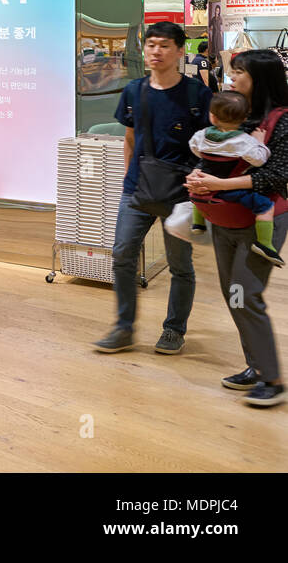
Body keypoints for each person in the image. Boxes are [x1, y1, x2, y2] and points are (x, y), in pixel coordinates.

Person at [94, 21, 211, 355]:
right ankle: (123, 328)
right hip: (137, 189)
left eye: (163, 45)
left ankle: (174, 329)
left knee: (180, 265)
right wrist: (128, 176)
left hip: (180, 193)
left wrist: (200, 181)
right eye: (151, 45)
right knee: (122, 255)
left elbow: (210, 145)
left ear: (178, 51)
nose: (155, 51)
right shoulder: (134, 90)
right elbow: (130, 137)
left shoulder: (197, 94)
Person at [186, 49, 288, 406]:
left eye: (239, 73)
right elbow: (210, 158)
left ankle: (272, 380)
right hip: (223, 215)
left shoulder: (282, 120)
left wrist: (217, 185)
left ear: (259, 78)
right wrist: (199, 177)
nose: (231, 79)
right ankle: (256, 366)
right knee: (235, 296)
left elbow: (276, 175)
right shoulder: (237, 118)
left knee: (247, 295)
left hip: (261, 217)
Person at [183, 90, 280, 266]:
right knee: (266, 207)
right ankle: (264, 243)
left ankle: (198, 223)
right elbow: (259, 160)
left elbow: (194, 149)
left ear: (212, 117)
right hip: (229, 192)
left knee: (196, 185)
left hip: (203, 189)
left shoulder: (201, 135)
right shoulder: (244, 141)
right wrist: (260, 142)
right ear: (245, 118)